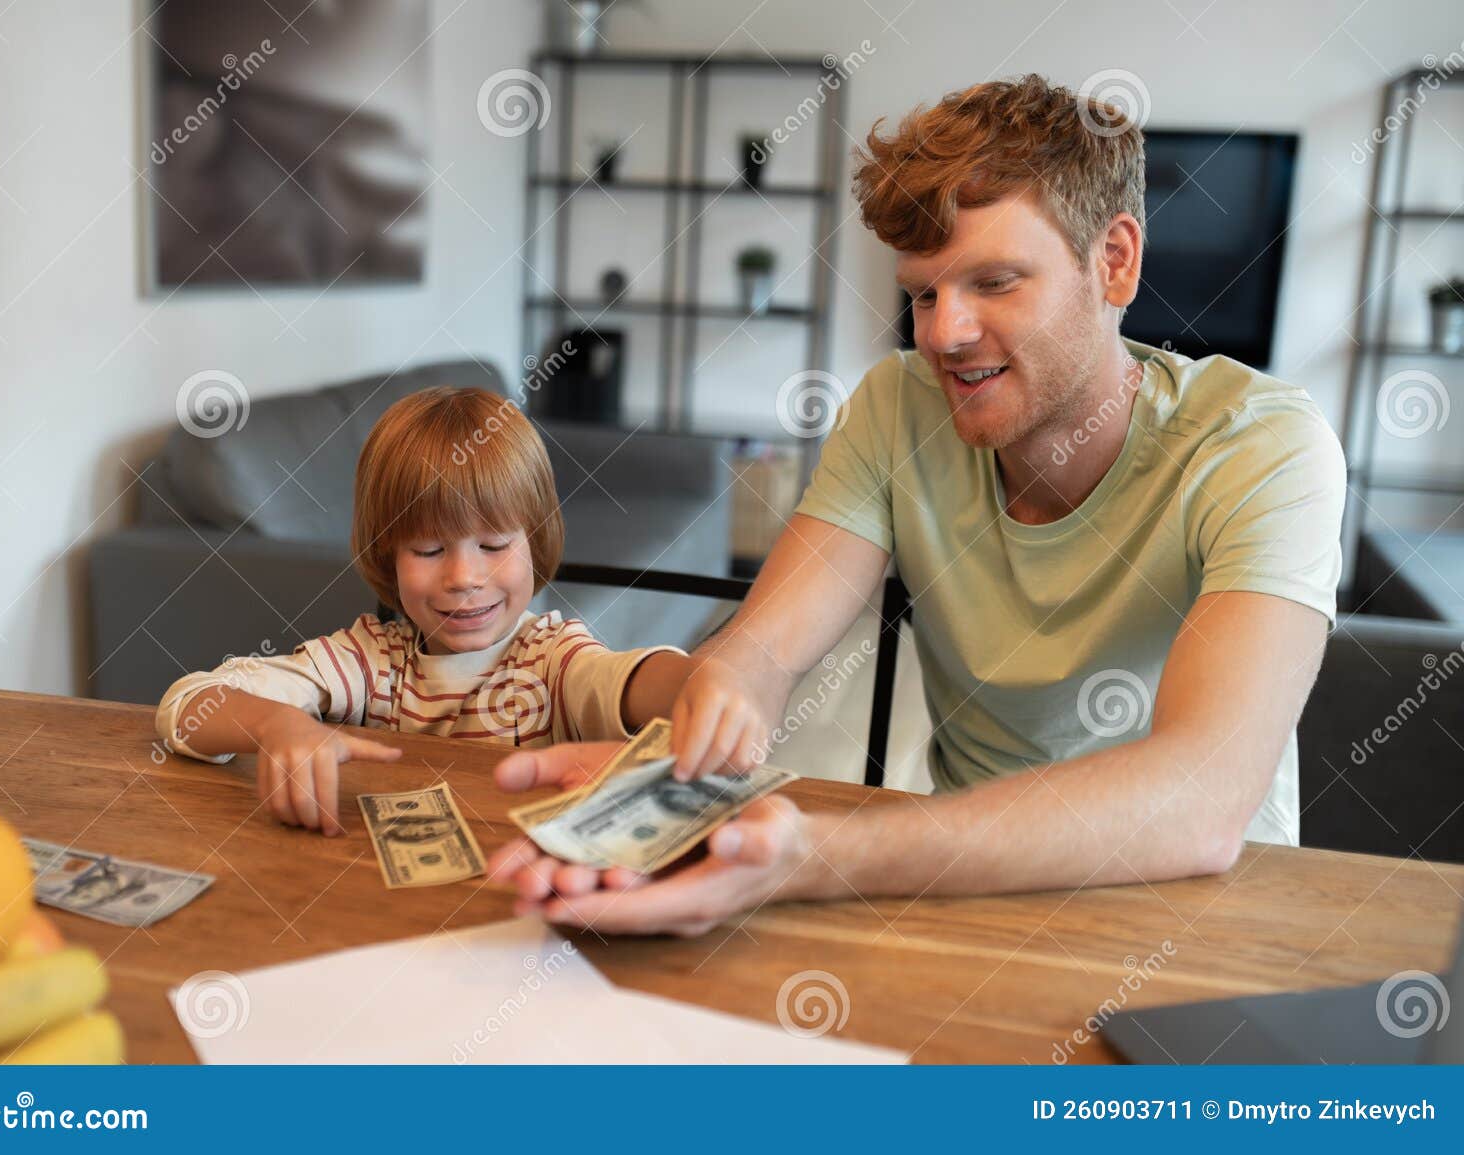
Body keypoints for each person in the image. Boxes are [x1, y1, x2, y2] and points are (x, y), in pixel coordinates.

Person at [486, 74, 1347, 936]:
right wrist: (698, 742)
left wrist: (816, 858)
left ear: (1114, 260)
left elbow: (1200, 802)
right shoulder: (896, 407)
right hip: (968, 888)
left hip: (1202, 910)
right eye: (924, 292)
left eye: (994, 282)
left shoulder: (1261, 445)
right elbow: (765, 650)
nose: (942, 333)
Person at [154, 386, 689, 836]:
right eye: (429, 550)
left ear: (536, 542)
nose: (464, 577)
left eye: (494, 545)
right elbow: (185, 705)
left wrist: (707, 681)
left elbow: (640, 683)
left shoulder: (554, 658)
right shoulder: (371, 661)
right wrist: (276, 724)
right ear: (388, 557)